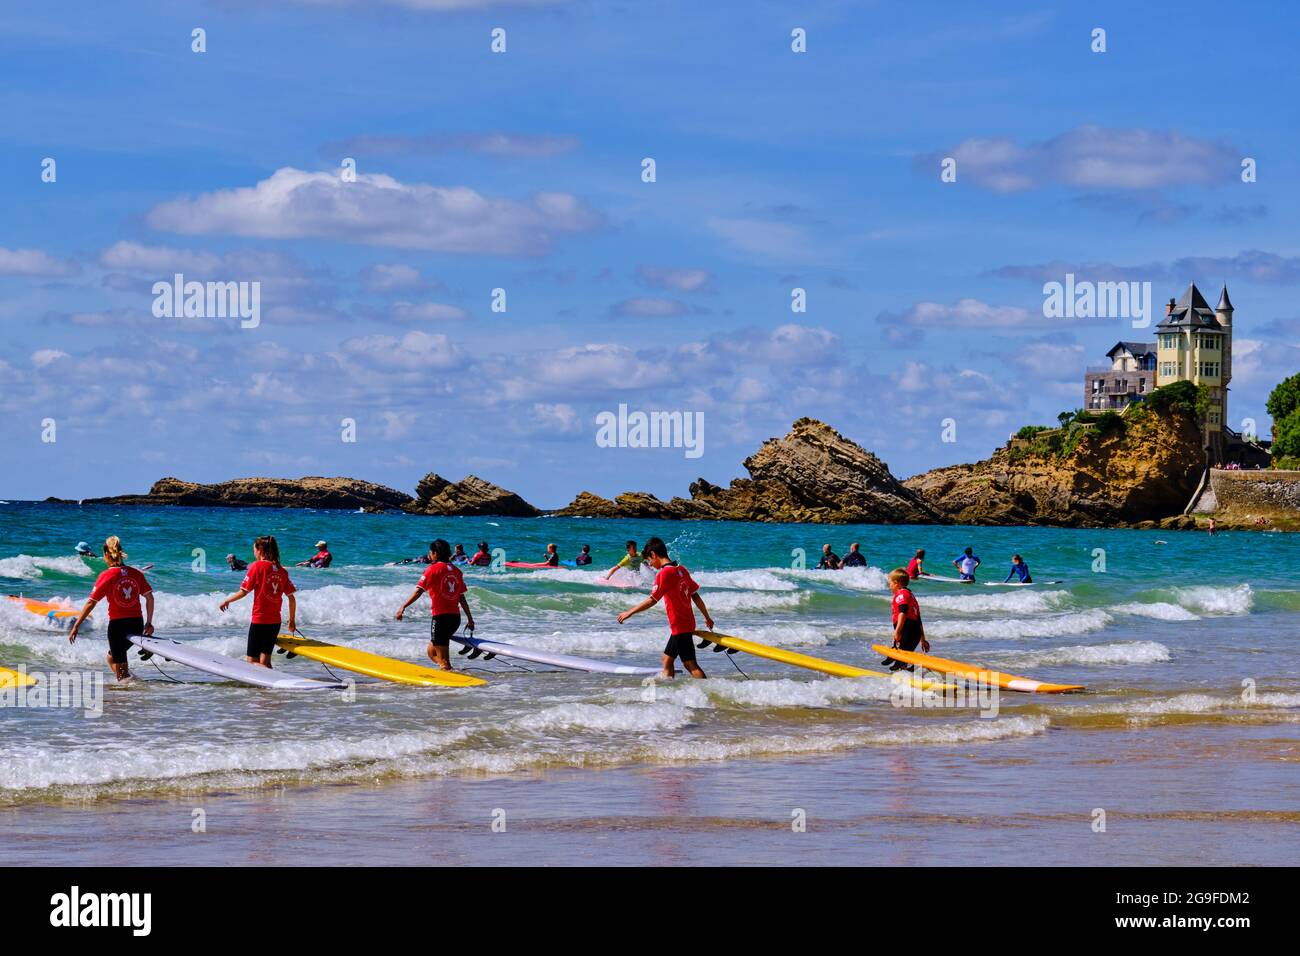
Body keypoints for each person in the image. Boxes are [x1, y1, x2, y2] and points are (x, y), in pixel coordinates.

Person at [617, 539, 712, 679]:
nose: (650, 564)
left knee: (690, 664)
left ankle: (707, 693)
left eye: (649, 560)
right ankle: (668, 690)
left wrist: (629, 612)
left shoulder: (664, 574)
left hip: (680, 626)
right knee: (667, 660)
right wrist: (707, 617)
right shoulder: (681, 569)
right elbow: (695, 596)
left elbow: (652, 600)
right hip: (685, 623)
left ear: (654, 554)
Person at [68, 536, 154, 681]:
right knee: (111, 658)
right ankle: (135, 684)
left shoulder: (106, 575)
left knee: (121, 671)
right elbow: (150, 597)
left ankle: (129, 691)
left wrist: (76, 625)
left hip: (118, 627)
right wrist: (149, 623)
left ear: (107, 554)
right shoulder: (136, 573)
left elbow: (91, 603)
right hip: (136, 624)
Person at [394, 539, 475, 672]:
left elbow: (419, 590)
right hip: (455, 619)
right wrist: (470, 619)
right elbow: (462, 598)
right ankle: (449, 671)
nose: (429, 554)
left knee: (442, 659)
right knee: (432, 652)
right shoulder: (456, 571)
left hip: (440, 618)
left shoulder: (432, 569)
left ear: (435, 553)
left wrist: (403, 606)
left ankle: (449, 678)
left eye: (430, 552)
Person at [219, 535, 297, 667]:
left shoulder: (257, 566)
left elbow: (244, 591)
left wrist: (227, 600)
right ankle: (273, 685)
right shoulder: (282, 571)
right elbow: (291, 598)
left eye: (254, 549)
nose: (253, 552)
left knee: (252, 663)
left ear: (260, 549)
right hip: (275, 622)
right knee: (265, 661)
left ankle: (275, 682)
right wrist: (291, 620)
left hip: (260, 621)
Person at [882, 567, 929, 670]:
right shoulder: (911, 596)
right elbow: (918, 620)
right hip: (915, 631)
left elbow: (902, 613)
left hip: (906, 628)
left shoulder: (901, 594)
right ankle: (906, 672)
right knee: (904, 657)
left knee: (901, 658)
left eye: (890, 583)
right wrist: (923, 639)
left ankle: (902, 676)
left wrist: (898, 631)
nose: (889, 586)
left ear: (896, 583)